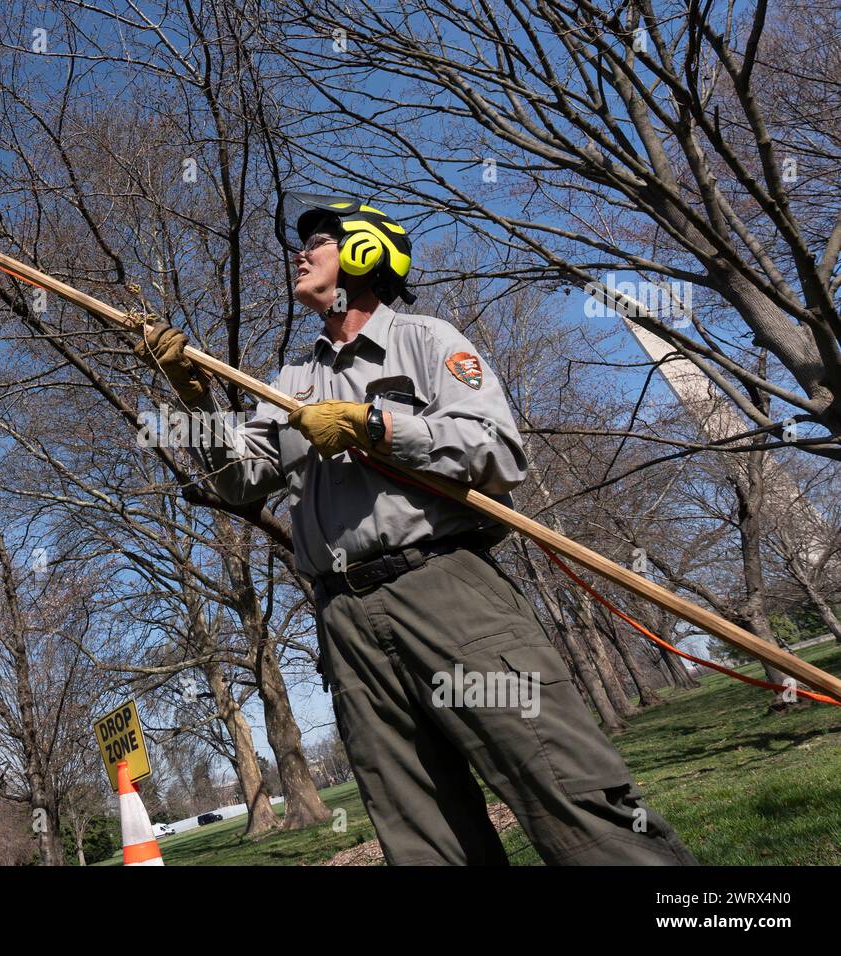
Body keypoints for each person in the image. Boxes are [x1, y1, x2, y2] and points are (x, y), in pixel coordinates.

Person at [134, 192, 696, 865]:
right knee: (420, 835)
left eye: (320, 239)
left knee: (565, 788)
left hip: (447, 591)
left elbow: (500, 454)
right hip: (343, 621)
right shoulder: (292, 379)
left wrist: (377, 426)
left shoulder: (426, 340)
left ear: (368, 251)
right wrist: (193, 402)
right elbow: (239, 481)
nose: (301, 251)